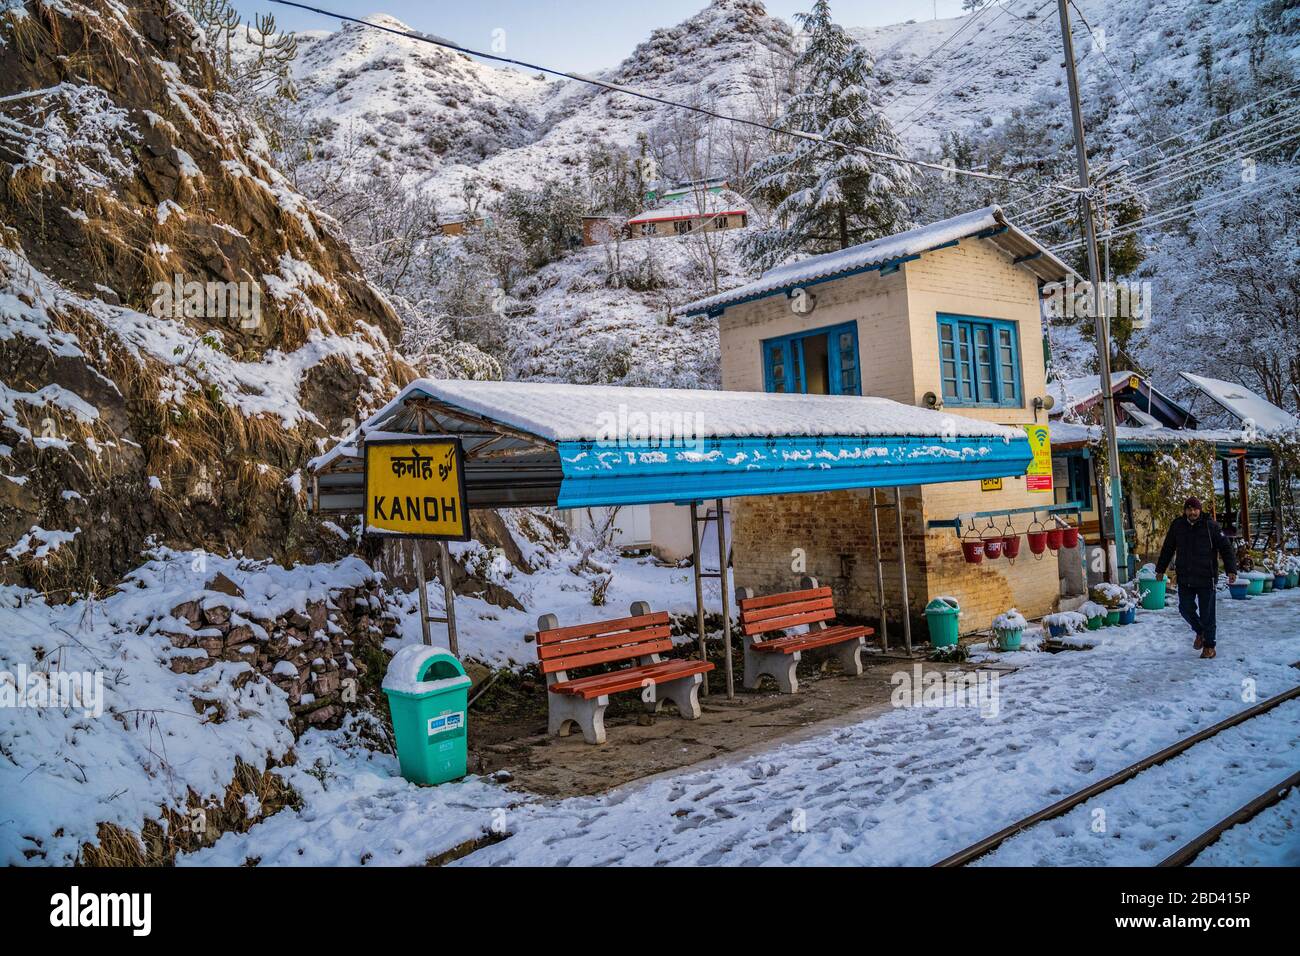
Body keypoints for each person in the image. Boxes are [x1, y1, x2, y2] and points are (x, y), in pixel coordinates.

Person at [1155, 496, 1237, 659]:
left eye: (1195, 509)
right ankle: (1200, 632)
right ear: (1185, 510)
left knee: (1208, 613)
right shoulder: (1178, 525)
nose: (1192, 512)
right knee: (1185, 608)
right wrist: (1160, 569)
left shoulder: (1210, 526)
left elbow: (1226, 548)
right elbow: (1168, 548)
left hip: (1206, 577)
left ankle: (1209, 646)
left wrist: (1231, 570)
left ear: (1200, 510)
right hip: (1186, 576)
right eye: (1189, 509)